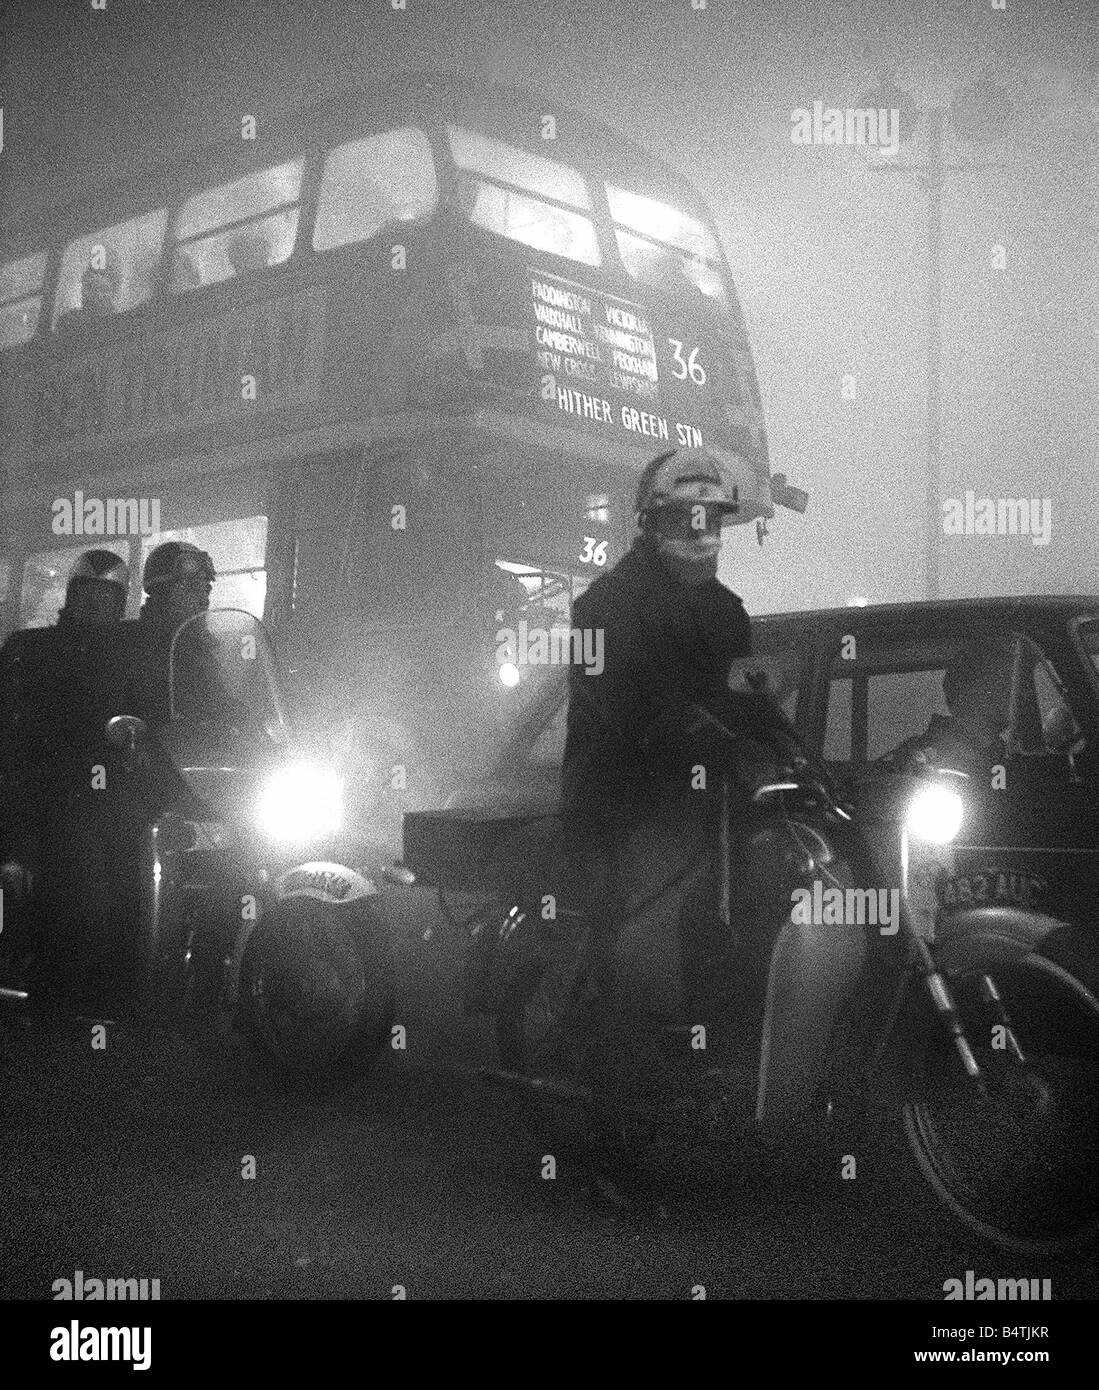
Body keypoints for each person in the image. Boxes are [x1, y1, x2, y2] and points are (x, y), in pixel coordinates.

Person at [559, 447, 792, 1020]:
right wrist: (716, 744)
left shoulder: (726, 613)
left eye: (711, 521)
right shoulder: (604, 608)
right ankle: (614, 1053)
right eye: (687, 520)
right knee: (642, 935)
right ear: (651, 523)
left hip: (707, 802)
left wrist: (789, 752)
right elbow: (631, 702)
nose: (702, 534)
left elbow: (748, 698)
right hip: (623, 805)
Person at [876, 642, 1015, 776]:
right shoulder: (916, 758)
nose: (1012, 694)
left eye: (1012, 685)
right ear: (965, 690)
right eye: (1001, 683)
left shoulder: (1013, 757)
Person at [56, 549, 130, 628]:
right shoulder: (48, 638)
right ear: (71, 598)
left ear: (119, 605)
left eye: (105, 596)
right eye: (86, 593)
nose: (94, 604)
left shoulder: (131, 639)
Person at [55, 262, 121, 335]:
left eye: (102, 289)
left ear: (113, 292)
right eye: (91, 287)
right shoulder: (68, 321)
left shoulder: (119, 324)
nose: (97, 295)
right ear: (83, 288)